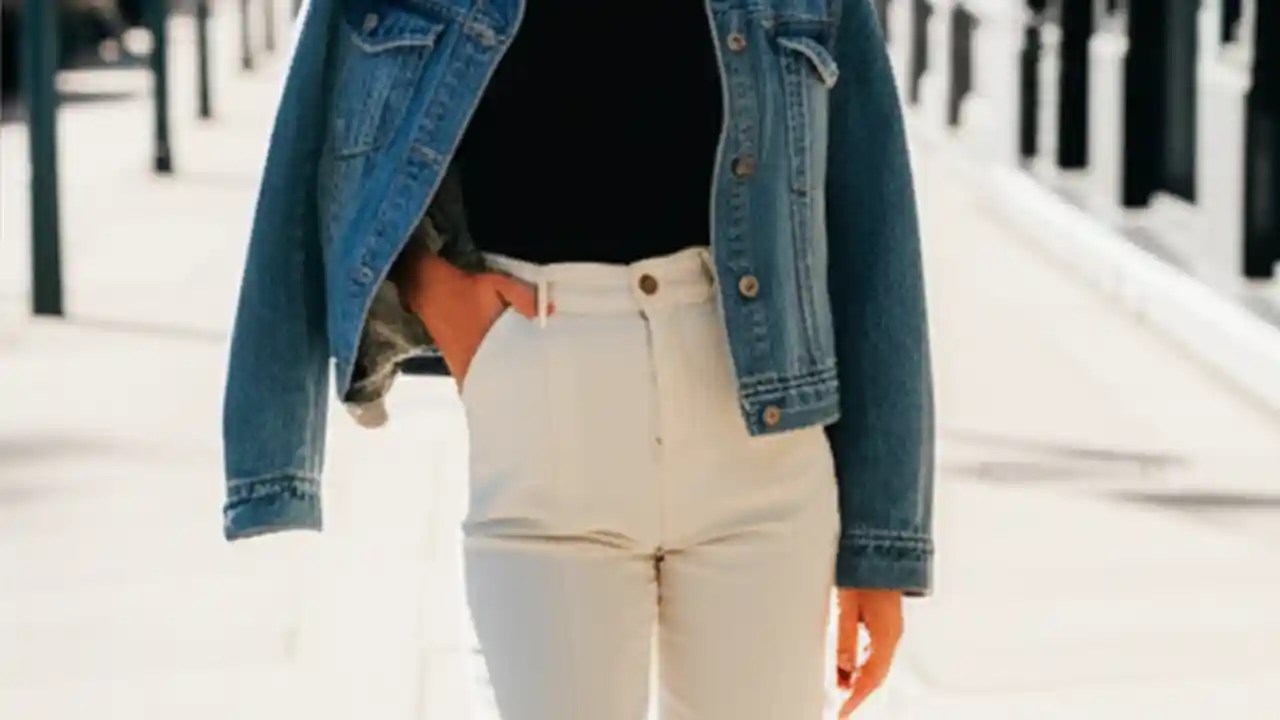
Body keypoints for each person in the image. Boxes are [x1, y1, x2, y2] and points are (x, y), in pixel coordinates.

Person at [221, 0, 934, 718]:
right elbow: (325, 130)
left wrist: (882, 542)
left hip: (761, 447)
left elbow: (871, 210)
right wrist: (429, 287)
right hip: (544, 420)